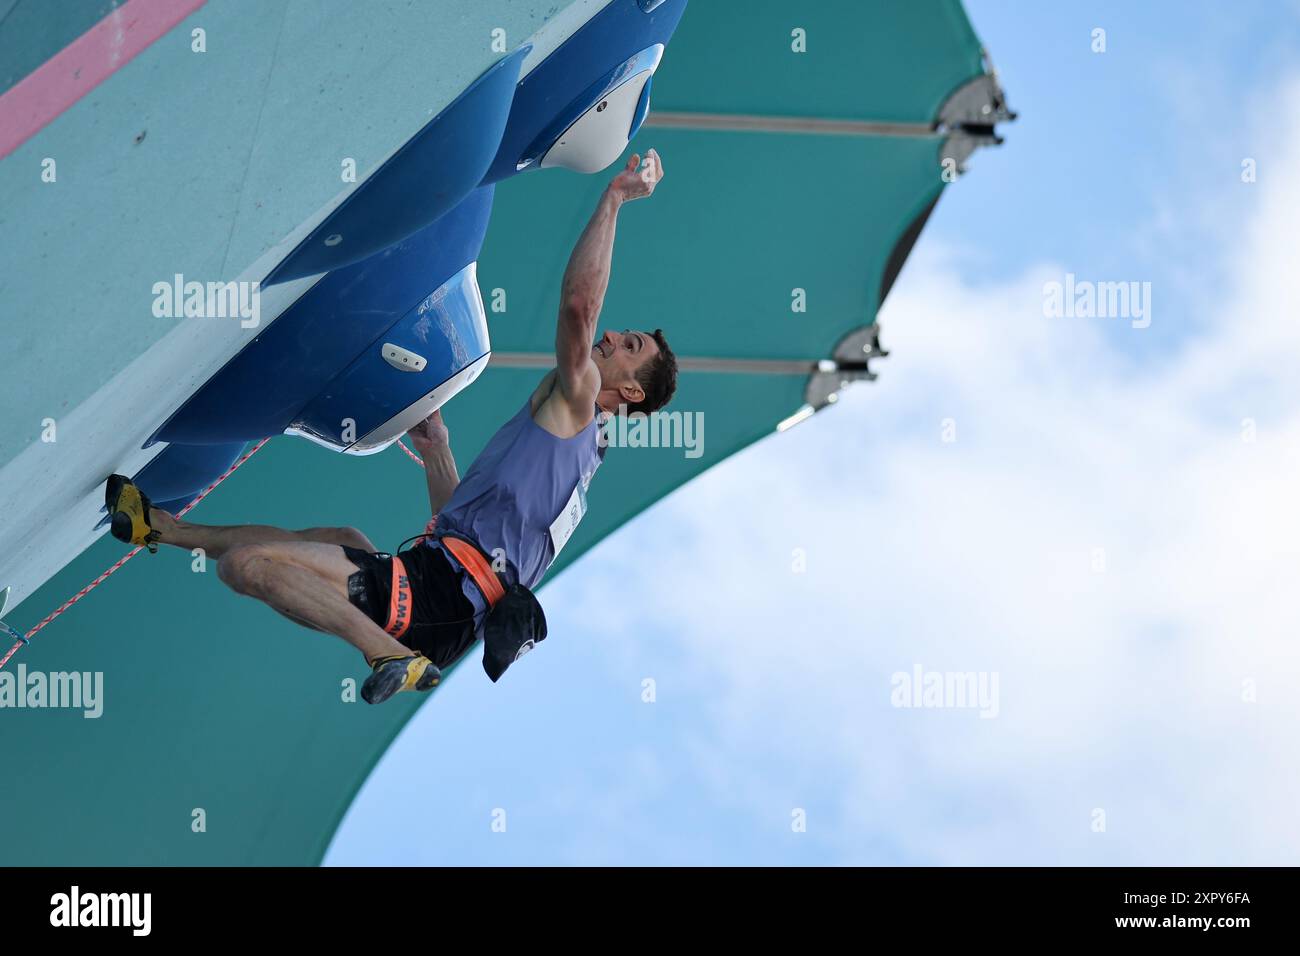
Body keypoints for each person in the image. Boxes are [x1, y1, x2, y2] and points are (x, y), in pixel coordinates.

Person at [104, 149, 678, 704]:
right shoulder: (578, 464)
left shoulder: (578, 409)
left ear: (629, 392)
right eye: (622, 334)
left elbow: (579, 307)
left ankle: (389, 656)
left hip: (437, 598)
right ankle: (159, 528)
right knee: (346, 540)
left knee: (246, 567)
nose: (611, 337)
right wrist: (437, 454)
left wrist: (613, 199)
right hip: (444, 603)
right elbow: (469, 536)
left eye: (629, 346)